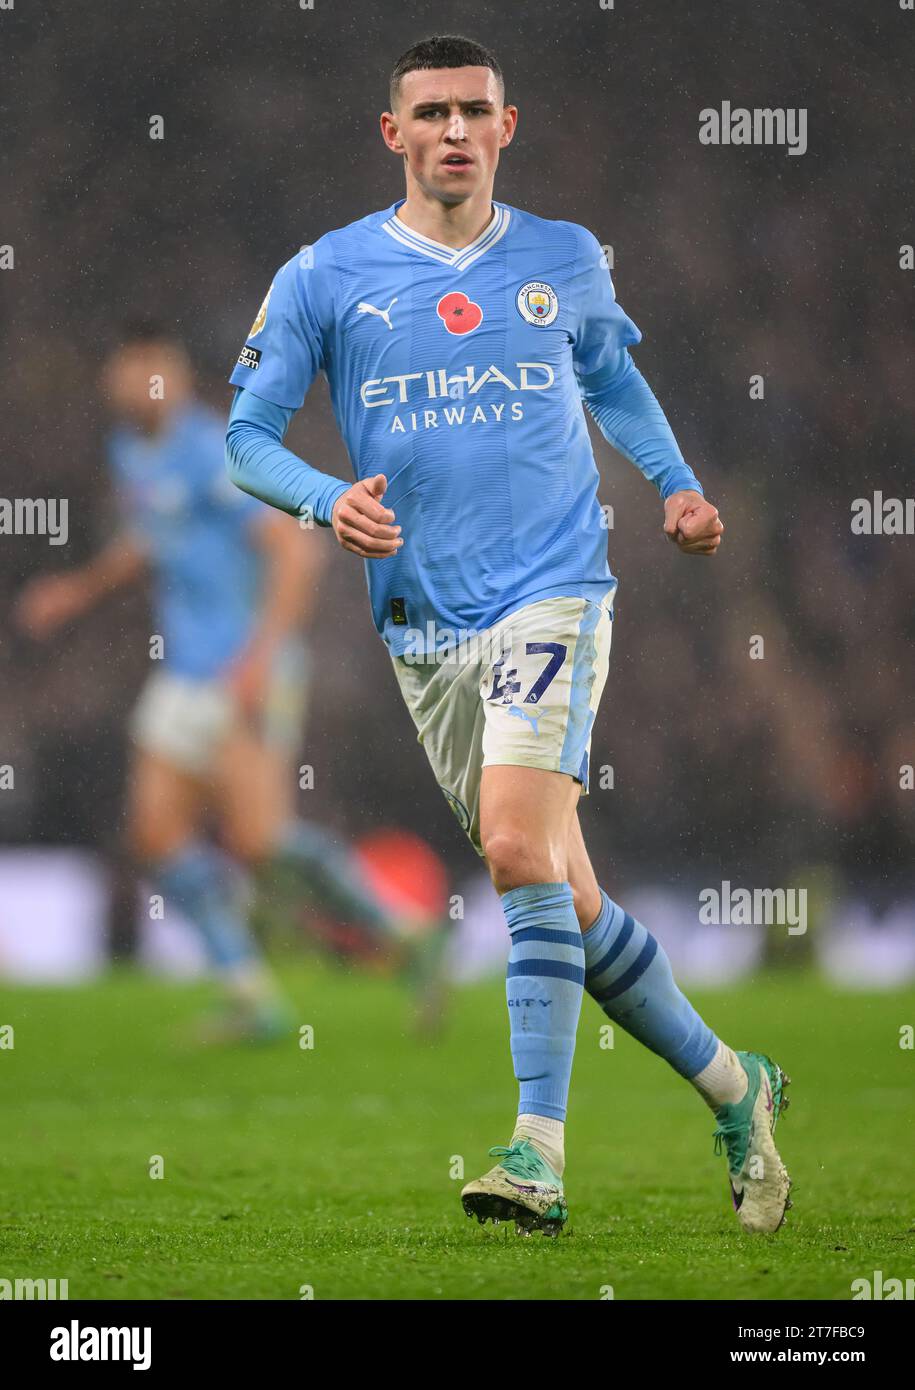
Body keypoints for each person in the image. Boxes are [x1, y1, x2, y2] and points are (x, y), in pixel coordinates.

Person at [224, 34, 791, 1231]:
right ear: (393, 134)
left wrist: (677, 484)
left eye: (474, 111)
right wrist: (329, 499)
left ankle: (535, 1153)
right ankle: (740, 1088)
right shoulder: (325, 276)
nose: (453, 131)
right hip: (425, 625)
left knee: (516, 847)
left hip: (554, 592)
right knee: (562, 894)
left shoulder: (565, 257)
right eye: (429, 112)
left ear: (506, 125)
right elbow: (245, 437)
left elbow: (614, 381)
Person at [16, 321, 422, 1042]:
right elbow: (152, 537)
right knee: (157, 836)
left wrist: (260, 657)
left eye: (157, 368)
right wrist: (76, 593)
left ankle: (402, 934)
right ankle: (248, 995)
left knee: (261, 844)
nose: (143, 381)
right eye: (131, 368)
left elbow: (296, 554)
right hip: (183, 673)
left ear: (176, 377)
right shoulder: (131, 452)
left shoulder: (215, 450)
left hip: (241, 667)